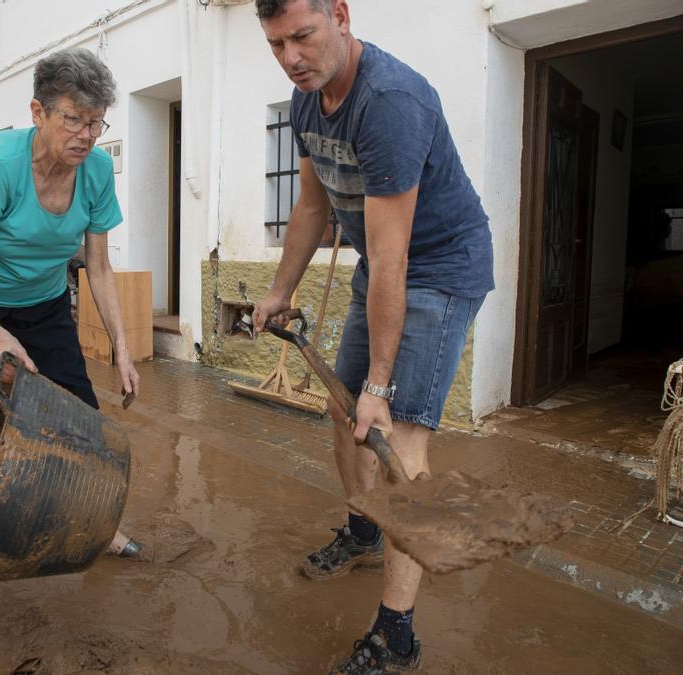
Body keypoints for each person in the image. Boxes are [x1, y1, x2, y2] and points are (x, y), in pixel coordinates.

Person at [252, 1, 495, 672]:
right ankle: (363, 528)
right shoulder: (305, 103)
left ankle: (397, 633)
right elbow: (311, 204)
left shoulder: (390, 102)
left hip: (440, 266)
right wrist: (280, 290)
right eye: (277, 44)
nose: (292, 56)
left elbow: (396, 260)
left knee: (397, 433)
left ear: (340, 14)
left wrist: (381, 387)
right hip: (381, 265)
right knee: (342, 407)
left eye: (302, 35)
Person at [0, 47, 142, 559]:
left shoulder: (95, 173)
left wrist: (123, 347)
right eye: (73, 120)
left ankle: (96, 528)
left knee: (82, 414)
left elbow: (100, 267)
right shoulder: (0, 162)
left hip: (41, 302)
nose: (86, 136)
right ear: (37, 113)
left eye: (95, 123)